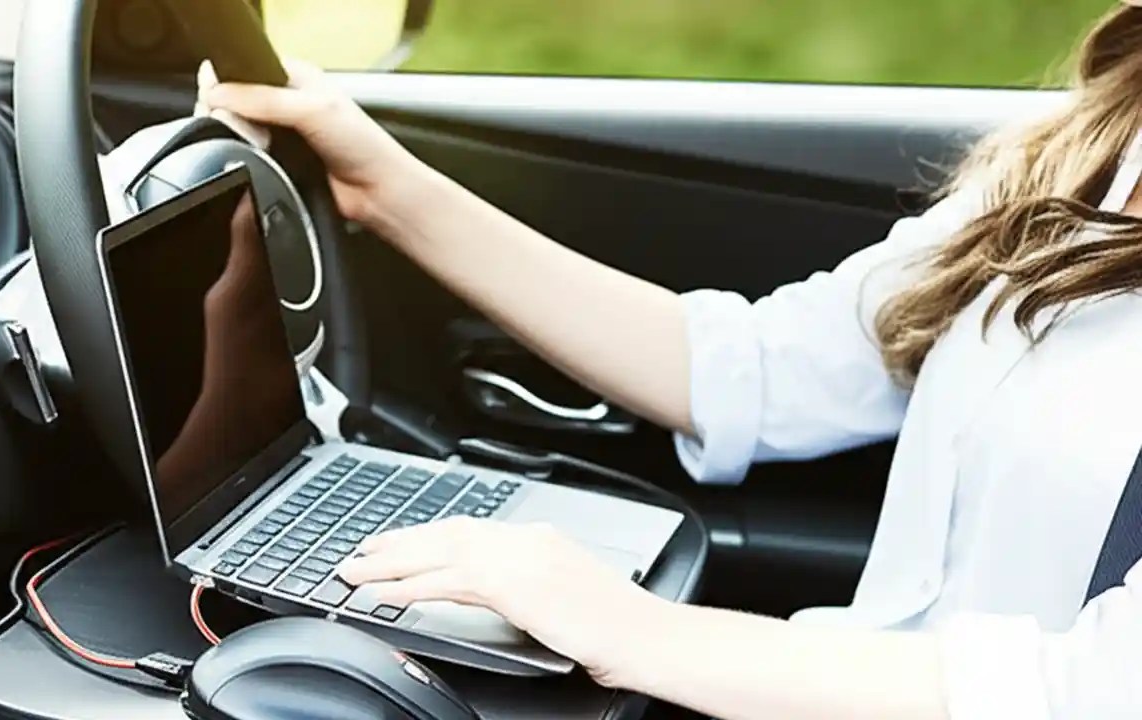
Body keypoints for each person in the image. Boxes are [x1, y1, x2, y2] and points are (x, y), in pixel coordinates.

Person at [198, 3, 1142, 718]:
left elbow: (1092, 693)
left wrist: (634, 631)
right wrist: (387, 191)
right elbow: (757, 372)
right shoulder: (1099, 146)